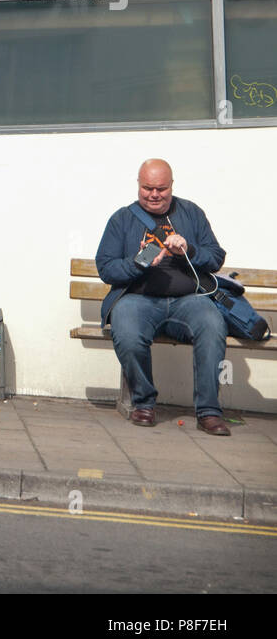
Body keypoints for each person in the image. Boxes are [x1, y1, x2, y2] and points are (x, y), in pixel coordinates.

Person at [95, 158, 230, 434]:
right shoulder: (122, 219)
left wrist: (189, 251)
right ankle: (143, 402)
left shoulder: (191, 213)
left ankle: (208, 412)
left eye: (161, 188)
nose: (154, 194)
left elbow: (216, 257)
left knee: (212, 324)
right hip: (138, 299)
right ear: (138, 185)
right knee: (127, 329)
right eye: (147, 188)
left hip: (188, 301)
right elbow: (106, 267)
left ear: (171, 186)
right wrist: (138, 263)